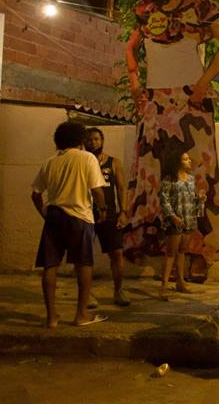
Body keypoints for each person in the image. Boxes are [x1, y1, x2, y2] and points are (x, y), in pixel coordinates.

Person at [124, 0, 219, 275]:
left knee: (198, 175)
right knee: (152, 175)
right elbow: (131, 47)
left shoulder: (203, 6)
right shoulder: (146, 9)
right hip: (155, 101)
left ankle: (199, 250)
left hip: (191, 100)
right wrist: (135, 83)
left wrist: (203, 83)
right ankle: (158, 248)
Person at [30, 121, 107, 327]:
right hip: (79, 216)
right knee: (84, 264)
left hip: (54, 216)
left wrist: (44, 212)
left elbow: (35, 194)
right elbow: (97, 190)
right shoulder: (87, 158)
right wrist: (103, 209)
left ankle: (51, 317)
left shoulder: (50, 162)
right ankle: (81, 314)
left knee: (50, 265)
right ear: (81, 139)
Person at [84, 128, 131, 307]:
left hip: (109, 214)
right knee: (85, 255)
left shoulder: (113, 162)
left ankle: (118, 290)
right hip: (86, 213)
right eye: (90, 139)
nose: (93, 142)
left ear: (102, 141)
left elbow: (121, 188)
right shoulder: (82, 162)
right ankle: (87, 294)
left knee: (117, 253)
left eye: (96, 139)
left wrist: (123, 211)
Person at [157, 149, 204, 300]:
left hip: (188, 219)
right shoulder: (169, 180)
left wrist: (200, 199)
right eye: (185, 159)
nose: (189, 161)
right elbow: (164, 200)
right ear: (177, 162)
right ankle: (164, 286)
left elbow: (192, 200)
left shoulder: (191, 179)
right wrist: (172, 216)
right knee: (171, 252)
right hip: (175, 220)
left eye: (188, 158)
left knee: (182, 251)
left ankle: (180, 282)